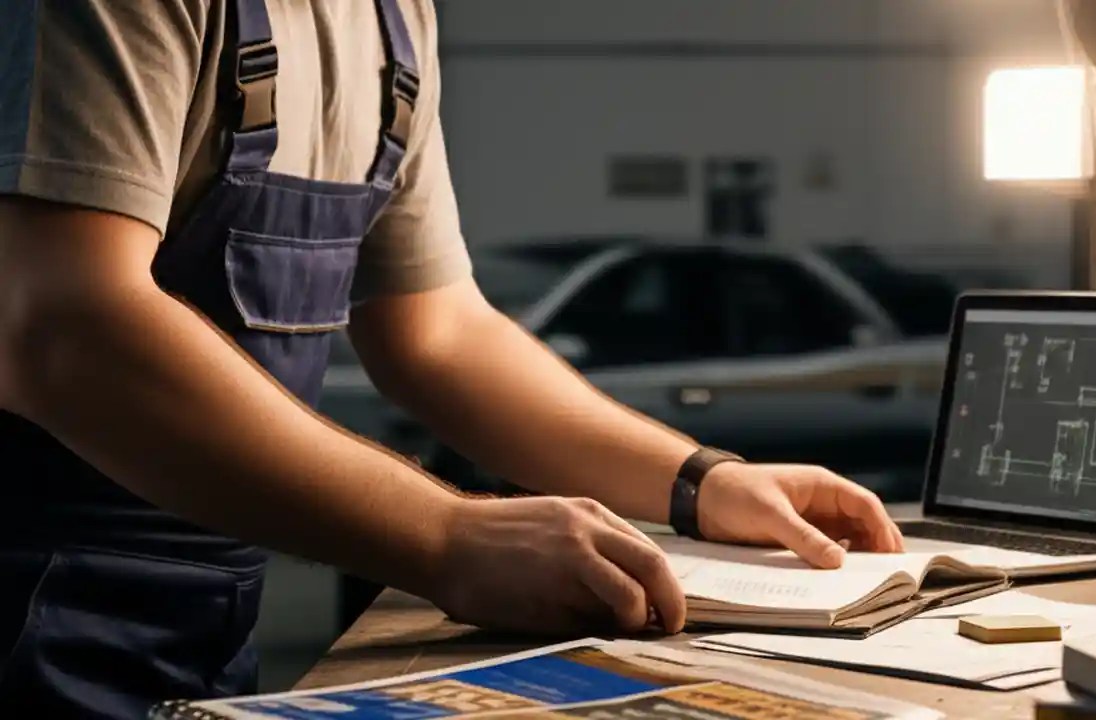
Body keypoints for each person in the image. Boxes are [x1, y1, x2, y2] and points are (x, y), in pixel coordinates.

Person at [0, 1, 904, 716]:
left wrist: (698, 481)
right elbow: (63, 327)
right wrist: (446, 537)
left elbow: (438, 333)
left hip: (207, 618)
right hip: (27, 605)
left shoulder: (395, 21)